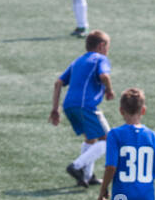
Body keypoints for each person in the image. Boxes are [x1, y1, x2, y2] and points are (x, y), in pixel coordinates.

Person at [49, 29, 115, 187]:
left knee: (90, 139)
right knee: (108, 140)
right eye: (108, 47)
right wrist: (109, 90)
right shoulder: (100, 59)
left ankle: (87, 176)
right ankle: (76, 166)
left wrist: (55, 109)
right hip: (86, 105)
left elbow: (58, 83)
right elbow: (104, 76)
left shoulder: (77, 61)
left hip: (69, 106)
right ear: (101, 46)